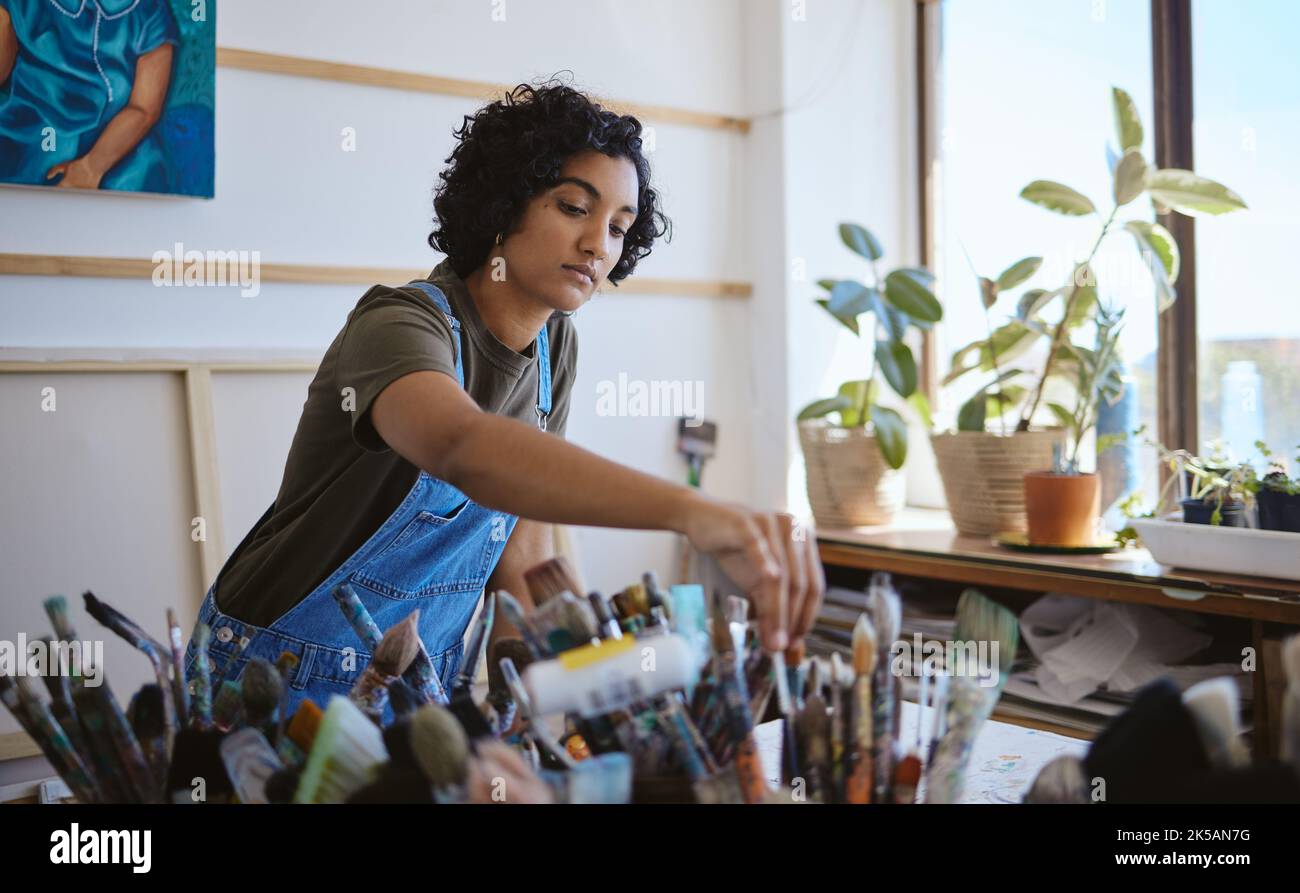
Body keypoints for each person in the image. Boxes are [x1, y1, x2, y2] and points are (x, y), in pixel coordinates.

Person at [182, 82, 825, 716]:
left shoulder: (555, 348)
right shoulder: (400, 323)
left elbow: (524, 560)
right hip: (273, 679)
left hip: (415, 690)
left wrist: (531, 705)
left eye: (620, 227)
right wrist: (693, 512)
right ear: (502, 205)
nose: (599, 245)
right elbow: (466, 448)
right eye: (574, 207)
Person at [0, 0, 178, 191]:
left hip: (116, 138)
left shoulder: (148, 10)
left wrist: (91, 166)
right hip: (26, 128)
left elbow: (144, 108)